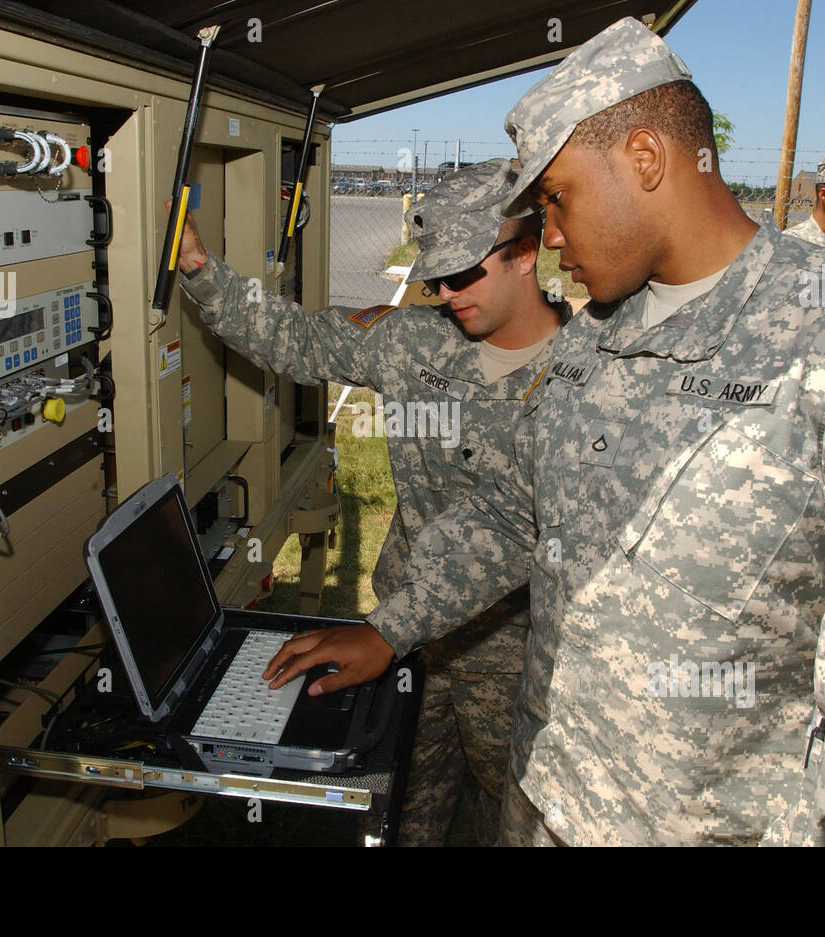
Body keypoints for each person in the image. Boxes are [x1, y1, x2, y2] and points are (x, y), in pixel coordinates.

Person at [263, 16, 825, 846]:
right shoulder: (593, 339)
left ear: (645, 158)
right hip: (543, 798)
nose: (550, 235)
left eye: (556, 198)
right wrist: (389, 627)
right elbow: (517, 511)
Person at [173, 159, 568, 845]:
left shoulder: (587, 379)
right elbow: (295, 339)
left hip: (515, 660)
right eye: (435, 278)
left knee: (515, 821)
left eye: (464, 274)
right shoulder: (413, 342)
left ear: (526, 251)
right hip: (405, 647)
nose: (447, 294)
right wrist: (200, 269)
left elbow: (527, 526)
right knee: (396, 810)